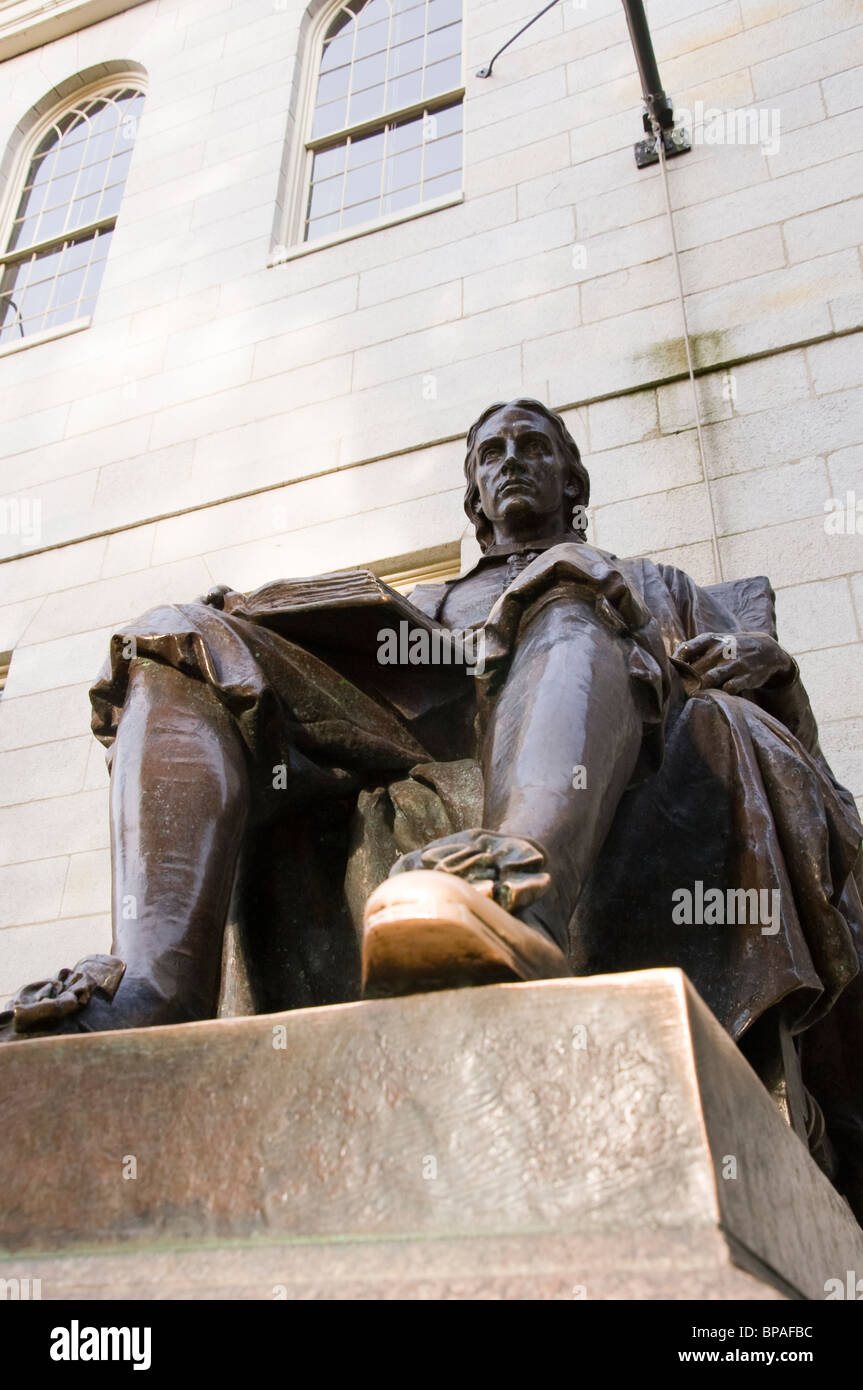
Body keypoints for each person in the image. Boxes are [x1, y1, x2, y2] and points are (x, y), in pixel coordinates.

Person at [3, 399, 861, 1222]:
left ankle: (511, 893)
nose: (512, 462)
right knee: (178, 635)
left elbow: (795, 762)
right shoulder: (427, 608)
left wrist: (773, 676)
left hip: (601, 734)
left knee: (566, 591)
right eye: (491, 453)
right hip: (403, 736)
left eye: (534, 447)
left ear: (574, 486)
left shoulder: (650, 582)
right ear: (474, 502)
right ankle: (149, 997)